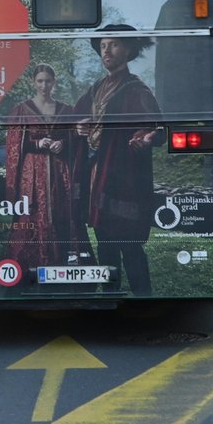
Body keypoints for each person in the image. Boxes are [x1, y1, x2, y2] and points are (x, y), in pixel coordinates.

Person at [73, 26, 162, 295]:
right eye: (102, 45)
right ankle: (111, 293)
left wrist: (146, 138)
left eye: (113, 45)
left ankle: (142, 295)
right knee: (104, 239)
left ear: (128, 50)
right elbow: (75, 117)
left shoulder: (137, 89)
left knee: (129, 242)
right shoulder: (96, 88)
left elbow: (158, 129)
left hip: (125, 180)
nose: (106, 51)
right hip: (97, 176)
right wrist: (79, 127)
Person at [3, 63, 80, 271]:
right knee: (33, 210)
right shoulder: (21, 109)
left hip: (59, 170)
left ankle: (63, 258)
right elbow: (13, 143)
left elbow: (75, 137)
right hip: (32, 171)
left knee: (60, 209)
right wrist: (37, 144)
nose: (44, 85)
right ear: (33, 82)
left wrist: (62, 143)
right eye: (40, 81)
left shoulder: (66, 110)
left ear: (53, 82)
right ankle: (30, 260)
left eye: (47, 81)